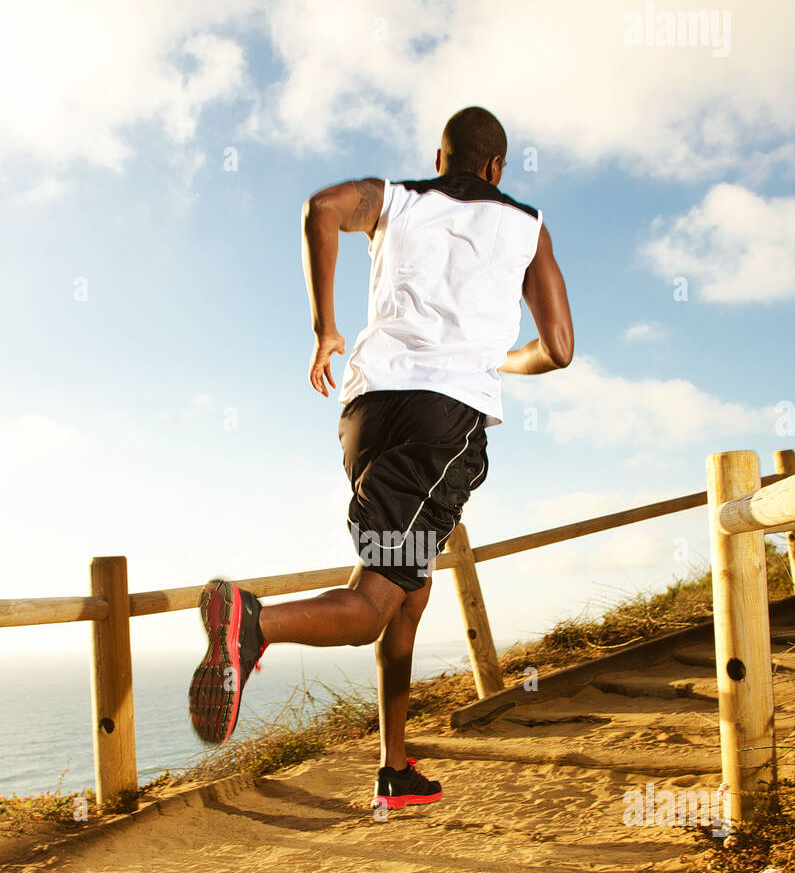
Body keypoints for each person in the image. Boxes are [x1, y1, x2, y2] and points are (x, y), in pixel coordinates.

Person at [188, 106, 573, 811]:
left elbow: (321, 208)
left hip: (365, 414)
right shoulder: (527, 223)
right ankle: (249, 623)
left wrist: (325, 327)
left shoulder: (396, 200)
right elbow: (558, 348)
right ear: (496, 167)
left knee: (408, 590)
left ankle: (394, 768)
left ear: (440, 157)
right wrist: (497, 362)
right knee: (372, 603)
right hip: (441, 419)